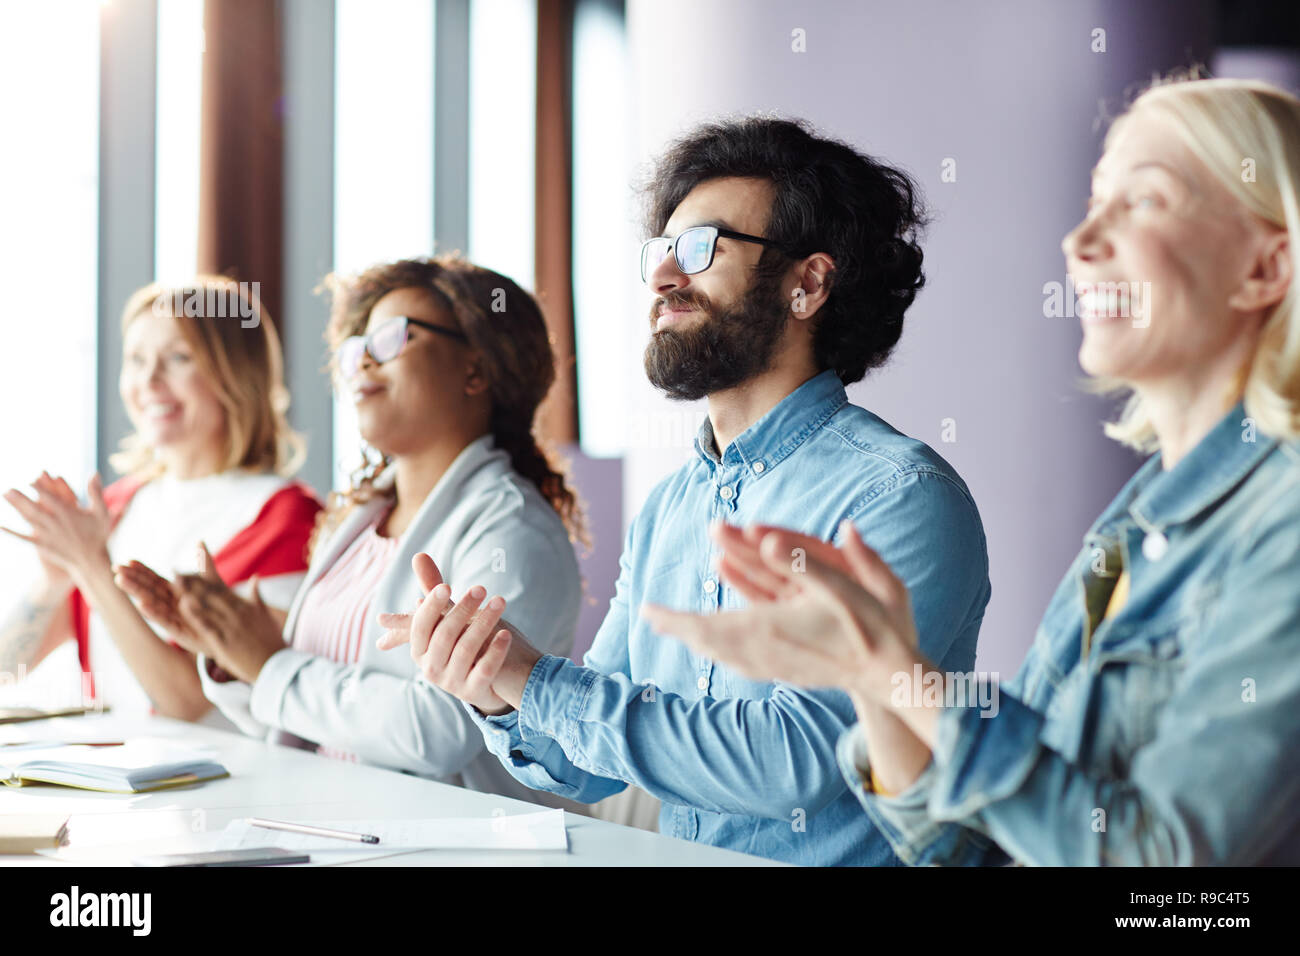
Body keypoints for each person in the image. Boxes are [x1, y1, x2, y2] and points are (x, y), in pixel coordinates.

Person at [643, 76, 1300, 866]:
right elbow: (965, 847)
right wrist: (880, 679)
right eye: (1094, 203)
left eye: (1147, 201)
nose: (1081, 243)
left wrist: (895, 674)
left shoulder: (1284, 523)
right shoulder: (1139, 518)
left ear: (1266, 268)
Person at [380, 118, 991, 865]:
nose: (665, 276)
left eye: (701, 249)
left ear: (808, 284)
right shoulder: (671, 508)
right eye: (662, 252)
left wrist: (534, 680)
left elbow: (791, 763)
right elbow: (582, 764)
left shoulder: (900, 497)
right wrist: (488, 681)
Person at [119, 257, 584, 803]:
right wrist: (232, 652)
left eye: (390, 339)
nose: (362, 358)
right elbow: (307, 709)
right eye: (354, 346)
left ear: (475, 370)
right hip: (332, 826)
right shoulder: (359, 520)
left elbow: (438, 729)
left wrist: (269, 666)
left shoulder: (513, 531)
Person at [0, 277, 320, 724]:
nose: (148, 381)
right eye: (135, 359)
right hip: (106, 779)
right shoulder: (115, 507)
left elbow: (192, 705)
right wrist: (57, 576)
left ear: (235, 374)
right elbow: (6, 669)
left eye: (178, 358)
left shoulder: (286, 518)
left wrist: (92, 567)